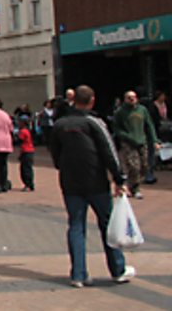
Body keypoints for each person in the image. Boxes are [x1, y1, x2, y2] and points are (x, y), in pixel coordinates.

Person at [50, 85, 134, 288]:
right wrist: (119, 178)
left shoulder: (59, 125)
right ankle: (117, 269)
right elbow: (109, 151)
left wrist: (64, 167)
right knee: (107, 223)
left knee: (76, 225)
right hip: (95, 180)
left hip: (70, 182)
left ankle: (78, 274)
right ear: (92, 100)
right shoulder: (94, 123)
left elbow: (55, 154)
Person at [112, 90, 156, 200]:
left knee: (144, 165)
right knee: (134, 166)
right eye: (129, 97)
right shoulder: (120, 112)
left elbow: (149, 125)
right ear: (125, 99)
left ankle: (131, 184)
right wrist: (126, 136)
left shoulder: (142, 110)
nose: (132, 99)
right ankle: (135, 188)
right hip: (128, 142)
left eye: (134, 97)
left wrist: (155, 140)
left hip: (142, 140)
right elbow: (116, 128)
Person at [17, 116, 36, 192]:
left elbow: (20, 141)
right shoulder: (28, 130)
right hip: (30, 151)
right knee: (28, 168)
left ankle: (28, 184)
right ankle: (30, 184)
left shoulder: (23, 131)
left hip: (26, 151)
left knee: (25, 169)